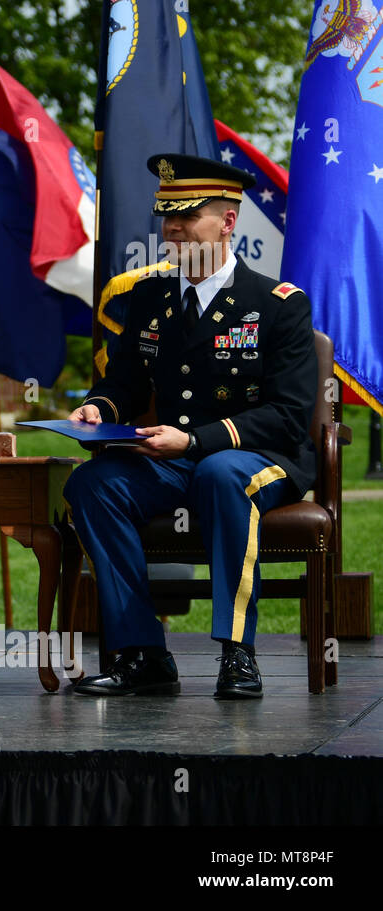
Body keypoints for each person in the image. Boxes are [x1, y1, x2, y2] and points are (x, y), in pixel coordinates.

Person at [64, 153, 317, 699]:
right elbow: (126, 382)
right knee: (93, 483)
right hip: (173, 457)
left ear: (228, 221)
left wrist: (196, 440)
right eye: (167, 215)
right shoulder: (150, 297)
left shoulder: (277, 305)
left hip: (261, 457)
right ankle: (144, 655)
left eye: (188, 214)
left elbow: (290, 415)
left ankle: (238, 654)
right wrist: (99, 409)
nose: (173, 227)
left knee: (221, 475)